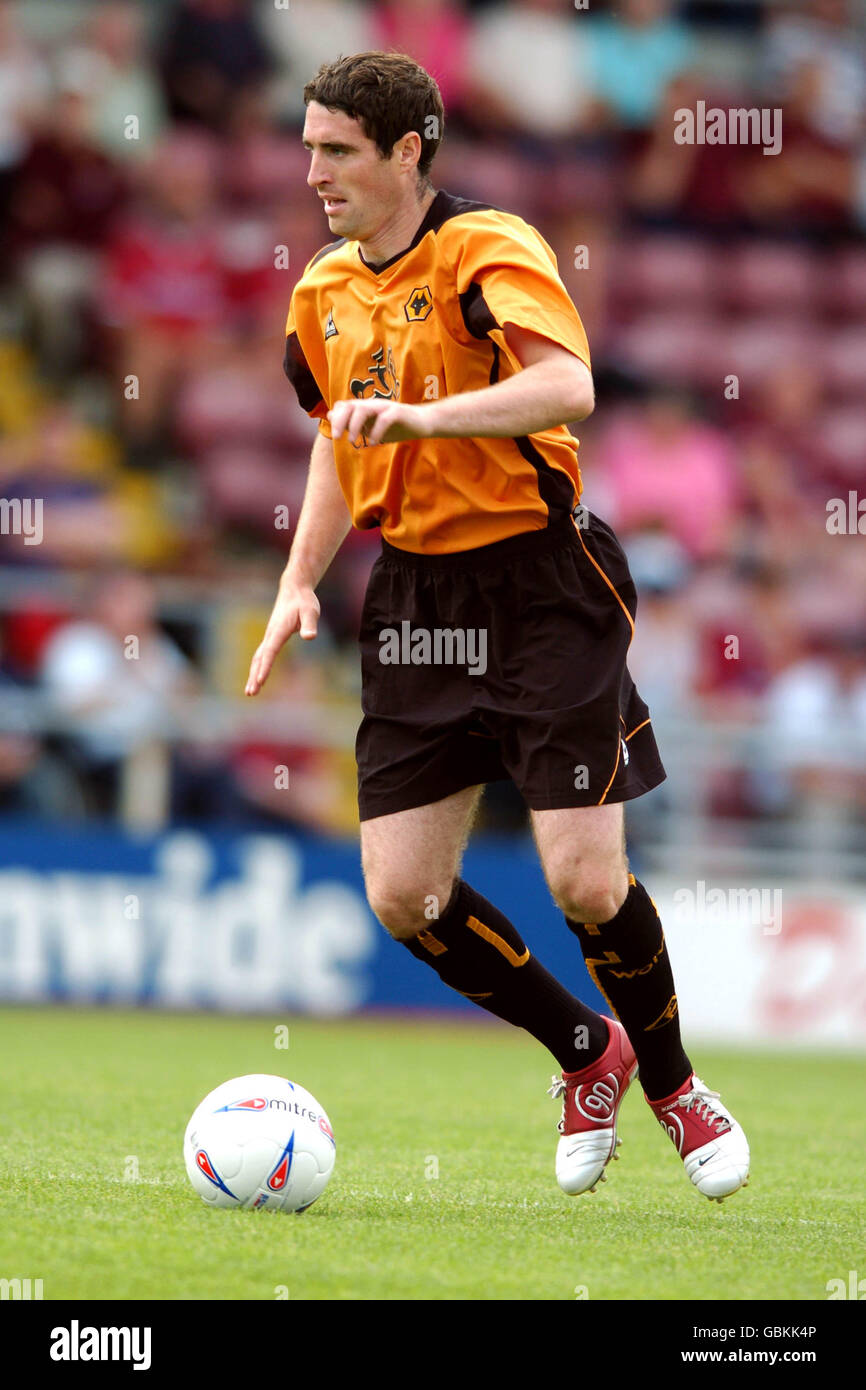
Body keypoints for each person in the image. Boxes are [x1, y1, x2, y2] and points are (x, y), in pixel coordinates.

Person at [246, 51, 750, 1203]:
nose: (310, 168)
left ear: (405, 152)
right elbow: (339, 436)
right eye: (308, 144)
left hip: (539, 584)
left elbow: (566, 385)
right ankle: (588, 1055)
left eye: (335, 149)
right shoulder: (322, 289)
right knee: (401, 897)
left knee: (580, 880)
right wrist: (296, 579)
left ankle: (673, 1086)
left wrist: (422, 418)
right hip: (416, 596)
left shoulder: (488, 246)